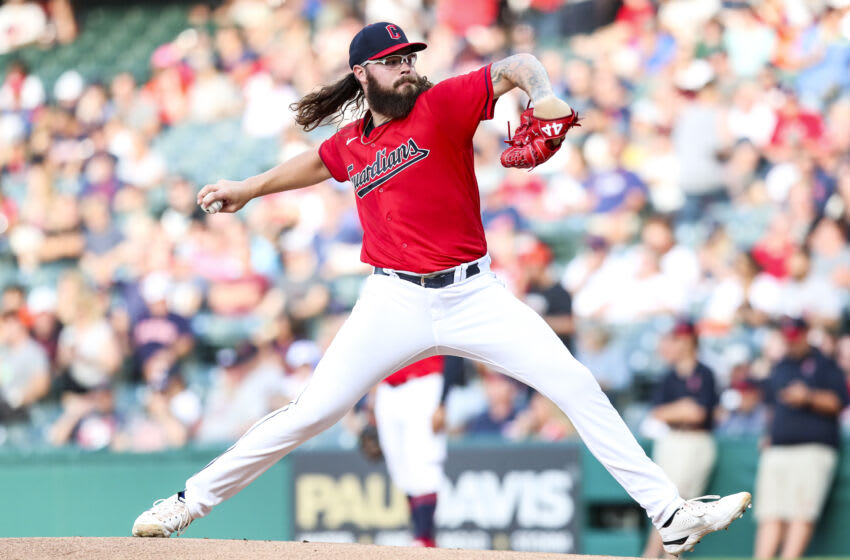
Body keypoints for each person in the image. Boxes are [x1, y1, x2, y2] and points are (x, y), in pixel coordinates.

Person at [131, 22, 751, 555]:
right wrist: (248, 188)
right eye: (393, 62)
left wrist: (544, 92)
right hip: (392, 300)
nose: (407, 69)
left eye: (410, 59)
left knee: (576, 384)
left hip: (473, 295)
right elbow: (319, 163)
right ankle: (187, 503)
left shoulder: (442, 104)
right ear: (362, 73)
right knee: (313, 411)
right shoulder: (353, 142)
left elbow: (517, 65)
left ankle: (670, 516)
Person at [753, 317, 849, 559]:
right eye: (788, 337)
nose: (792, 341)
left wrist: (808, 397)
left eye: (795, 335)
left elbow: (838, 402)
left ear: (806, 334)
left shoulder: (825, 364)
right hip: (779, 447)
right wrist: (769, 432)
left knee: (801, 514)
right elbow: (771, 406)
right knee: (770, 513)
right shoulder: (781, 366)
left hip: (812, 448)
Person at [642, 320, 719, 558]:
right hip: (673, 438)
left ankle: (655, 555)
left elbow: (699, 413)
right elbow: (658, 412)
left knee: (679, 504)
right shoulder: (669, 376)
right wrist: (683, 407)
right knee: (668, 503)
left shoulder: (704, 373)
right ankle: (661, 555)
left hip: (695, 440)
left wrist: (681, 410)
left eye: (679, 339)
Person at [372, 355, 447, 548]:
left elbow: (454, 358)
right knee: (400, 467)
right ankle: (418, 534)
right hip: (387, 387)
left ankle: (424, 536)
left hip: (424, 383)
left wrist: (443, 401)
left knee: (423, 461)